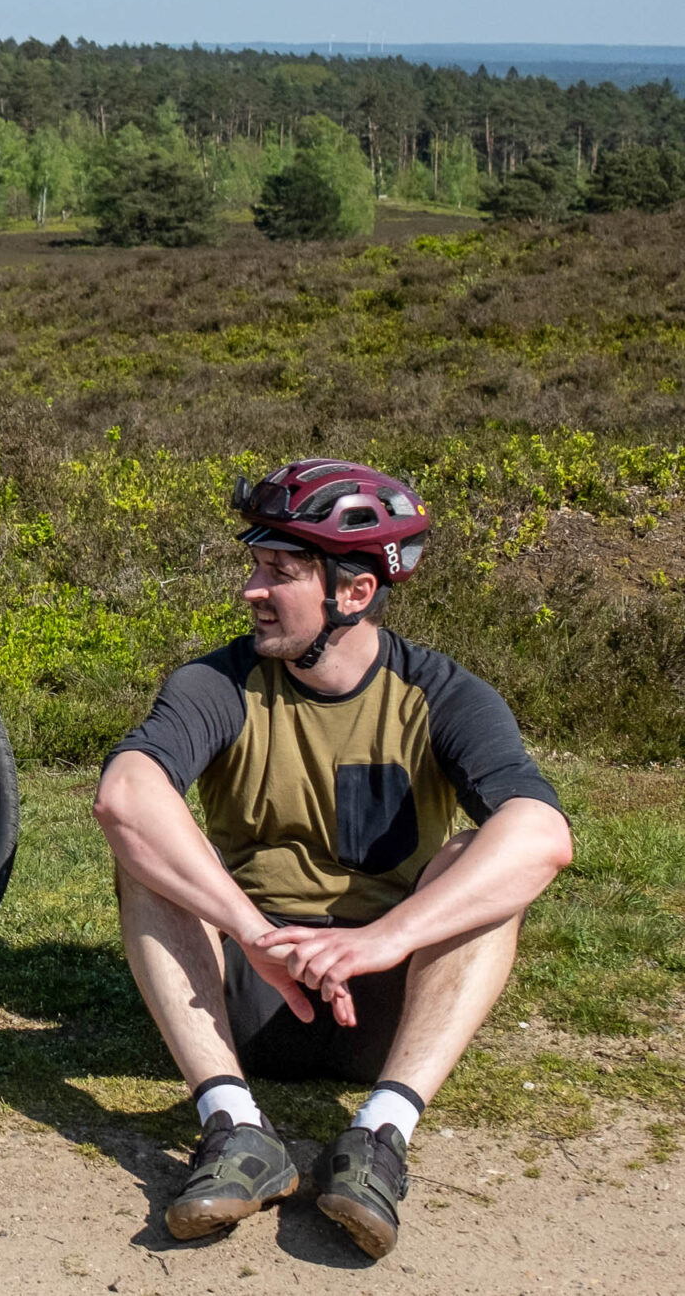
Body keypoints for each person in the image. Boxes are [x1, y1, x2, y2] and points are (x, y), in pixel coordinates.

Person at [91, 459, 572, 1258]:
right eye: (254, 564)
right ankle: (234, 1126)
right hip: (242, 997)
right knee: (146, 848)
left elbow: (543, 835)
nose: (252, 587)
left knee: (482, 861)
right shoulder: (217, 683)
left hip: (384, 1008)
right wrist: (252, 933)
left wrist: (380, 941)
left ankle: (381, 1134)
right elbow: (124, 796)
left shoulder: (444, 696)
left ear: (353, 593)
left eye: (280, 570)